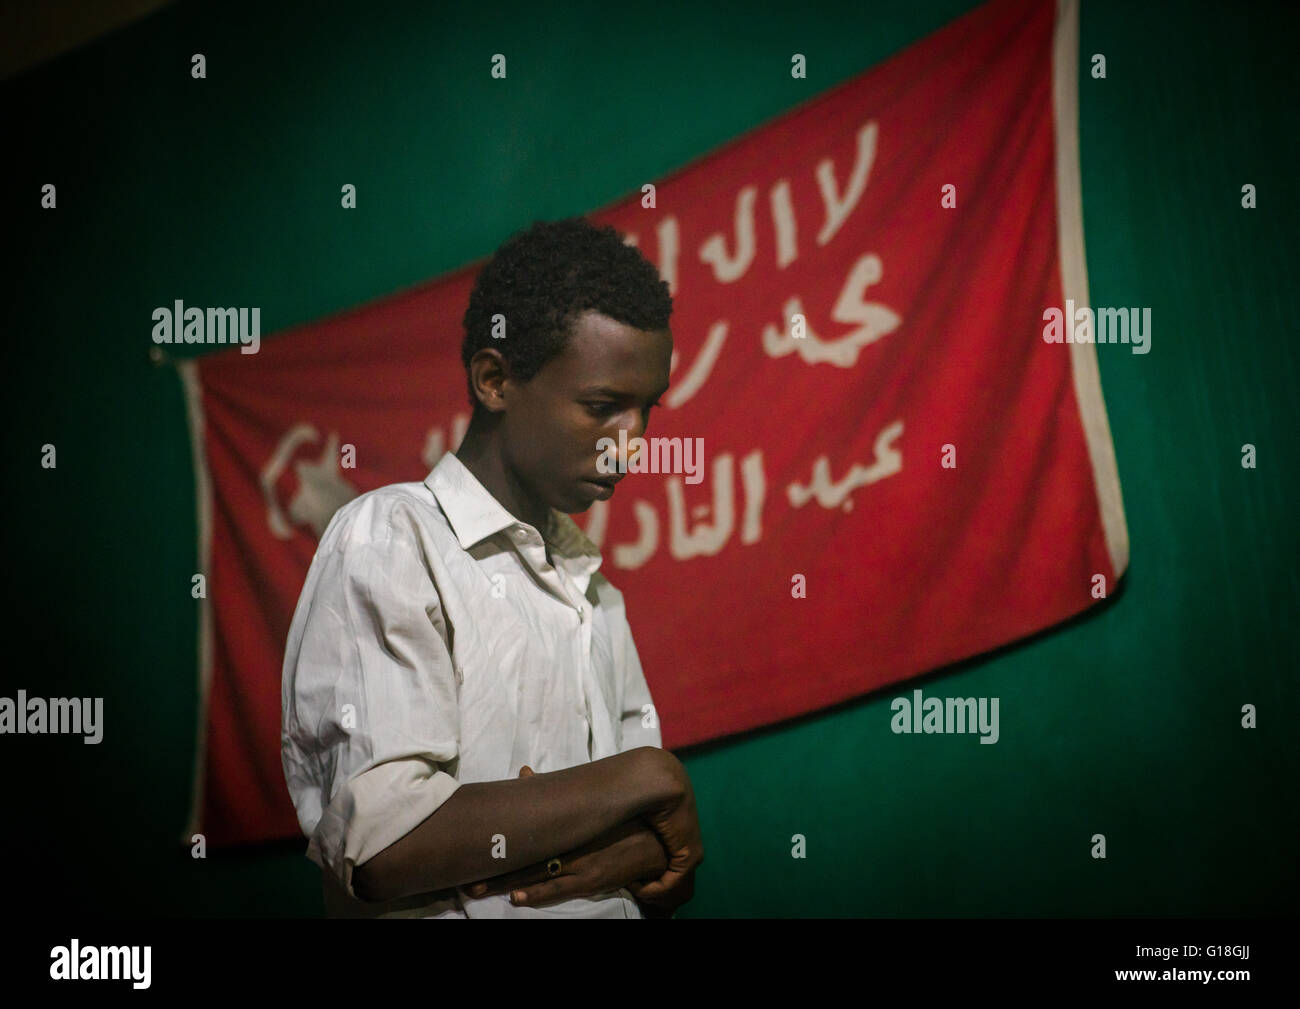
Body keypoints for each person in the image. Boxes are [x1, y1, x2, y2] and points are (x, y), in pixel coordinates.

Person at [280, 216, 702, 918]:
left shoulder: (595, 595)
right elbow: (385, 847)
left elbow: (663, 856)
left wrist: (641, 835)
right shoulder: (394, 538)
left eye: (645, 411)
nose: (631, 448)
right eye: (602, 407)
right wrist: (648, 776)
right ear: (495, 379)